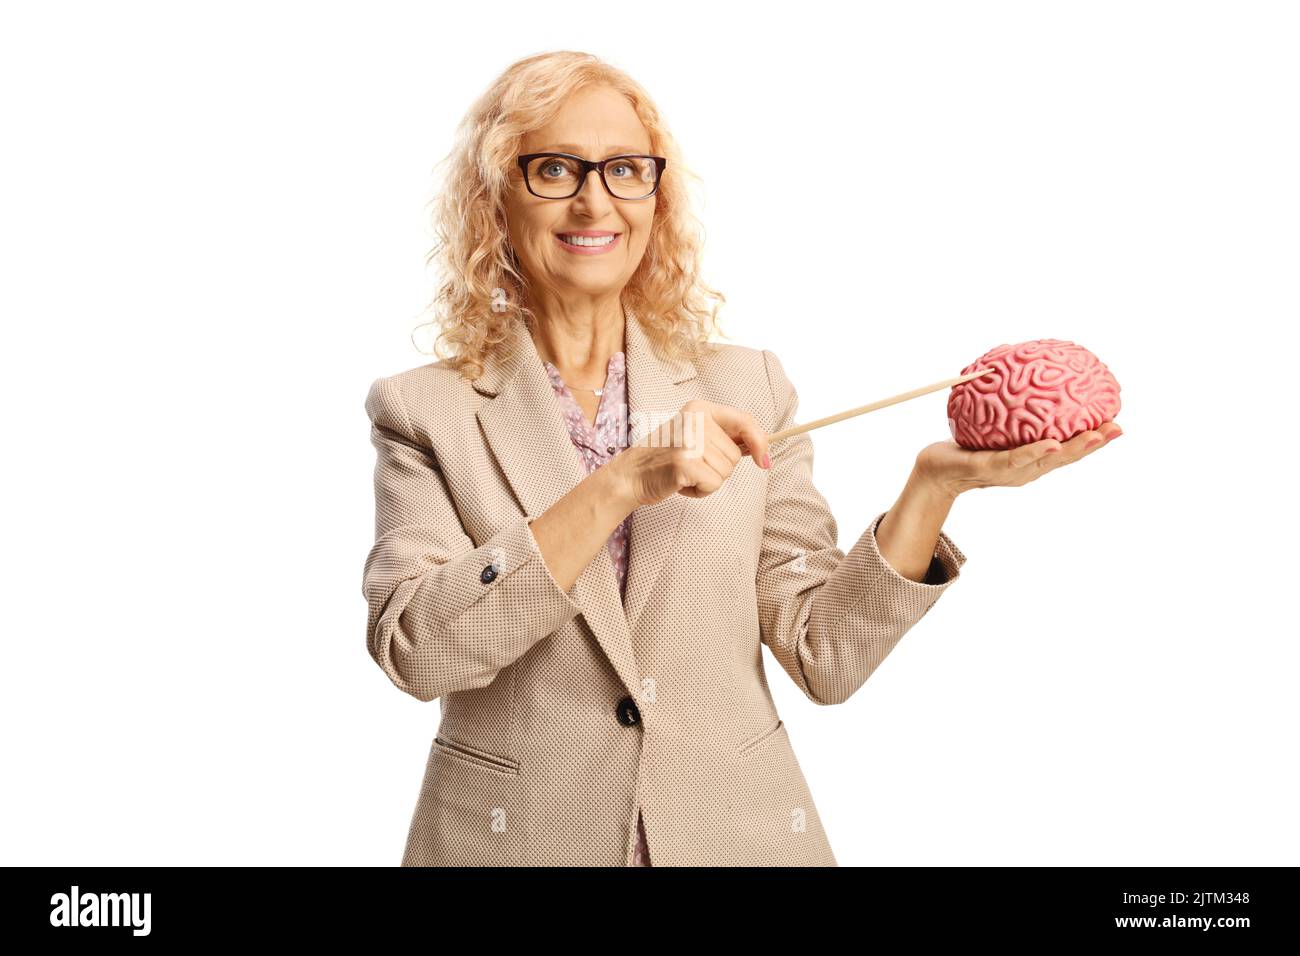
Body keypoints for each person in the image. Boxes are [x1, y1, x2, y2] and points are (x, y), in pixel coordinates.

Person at [362, 50, 1121, 867]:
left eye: (625, 170)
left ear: (657, 196)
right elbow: (419, 650)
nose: (595, 200)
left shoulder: (748, 385)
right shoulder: (423, 411)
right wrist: (621, 482)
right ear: (496, 198)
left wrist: (933, 487)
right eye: (554, 168)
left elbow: (825, 652)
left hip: (738, 837)